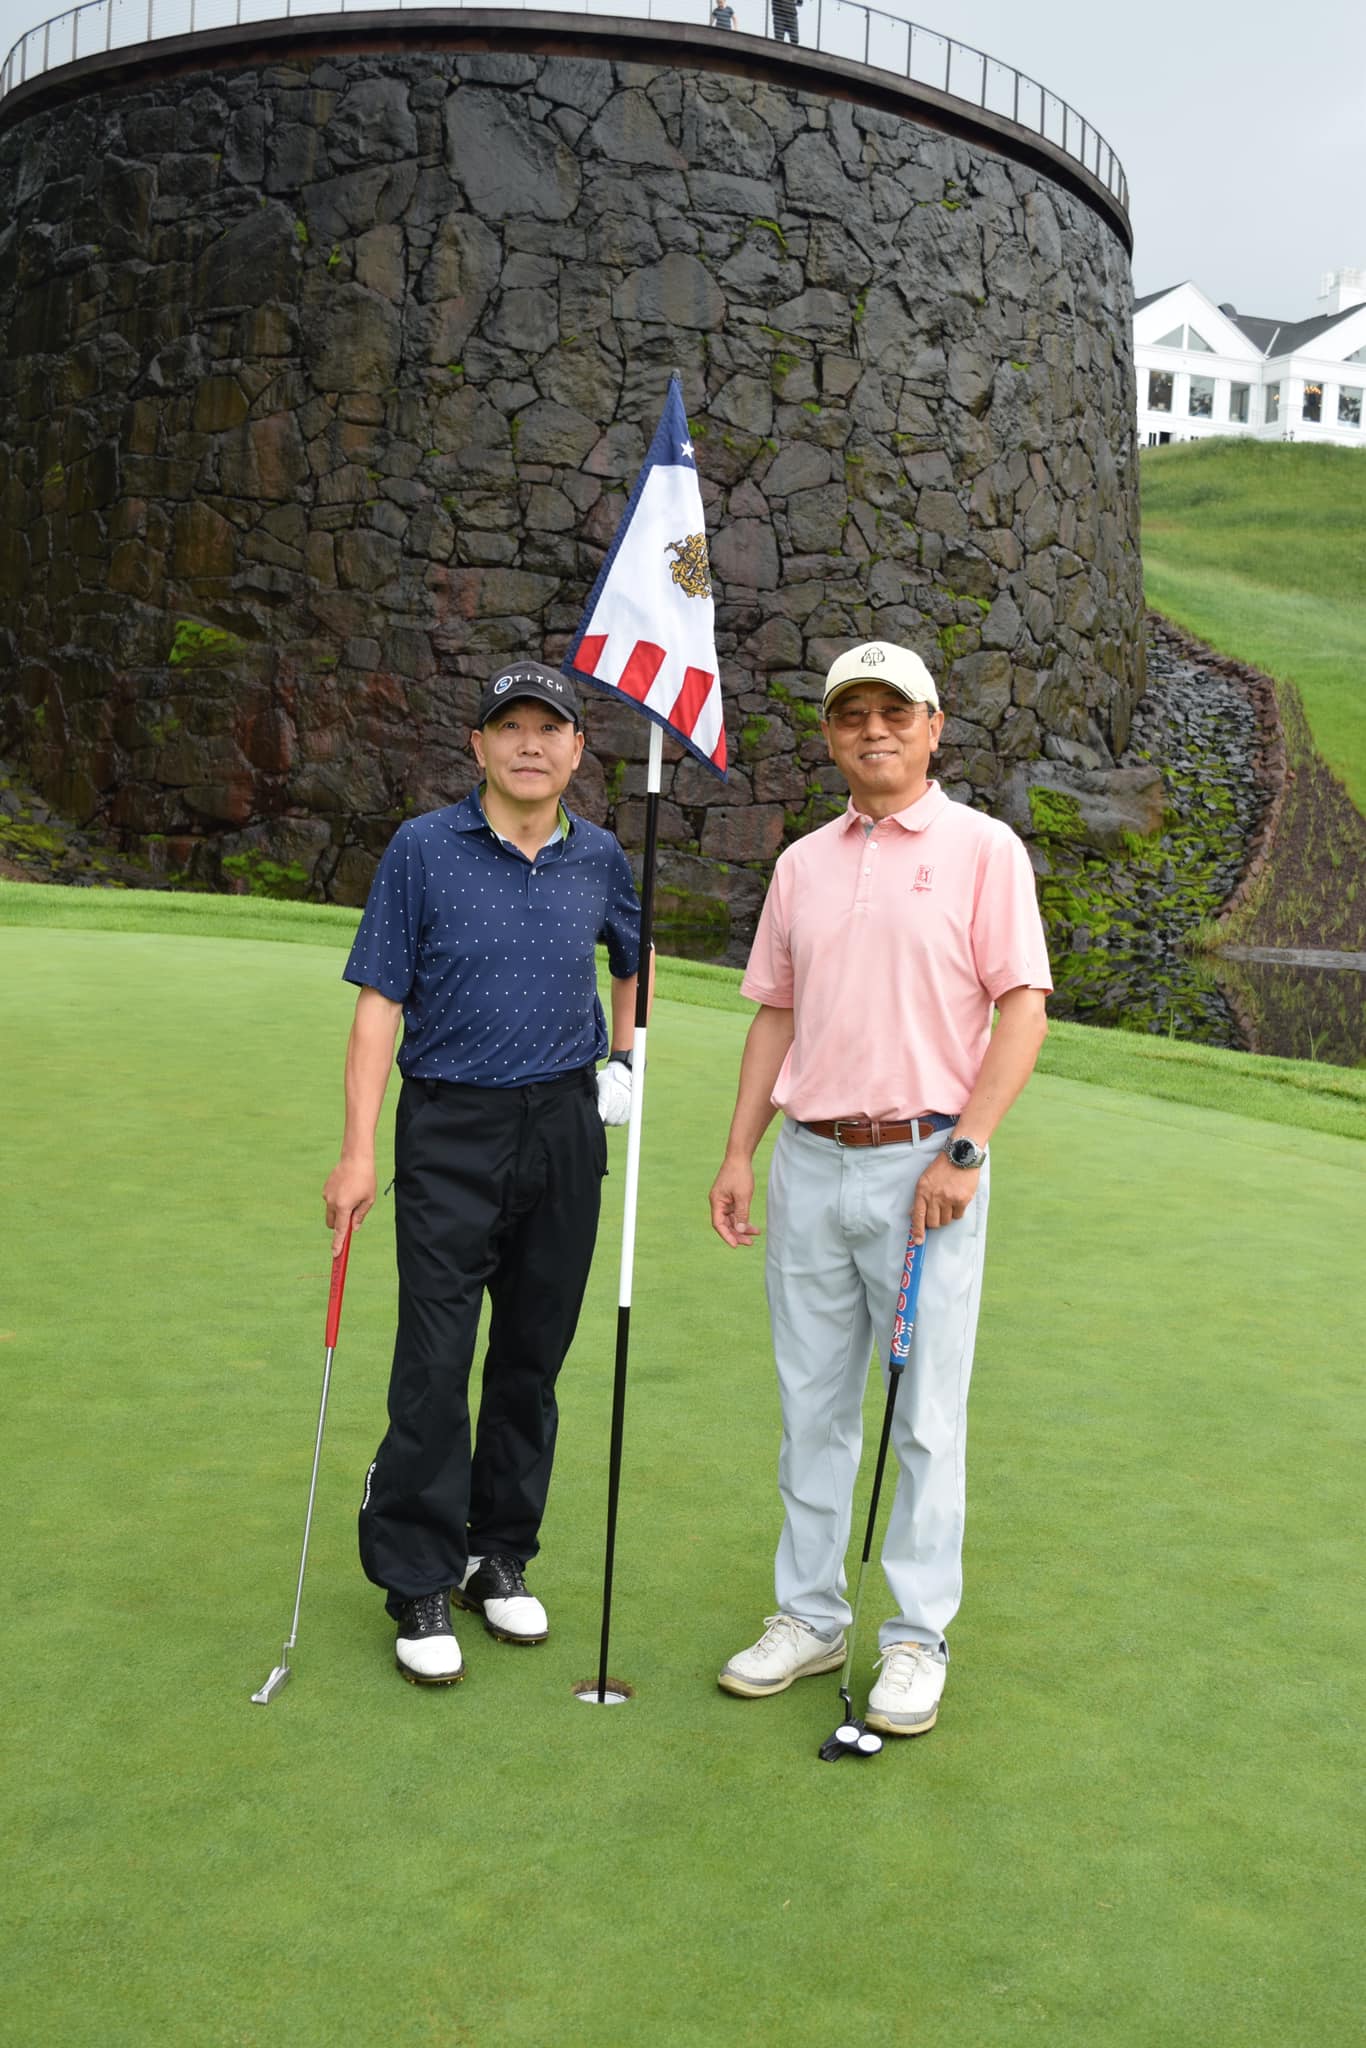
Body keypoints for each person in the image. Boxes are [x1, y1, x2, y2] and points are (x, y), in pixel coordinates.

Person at [708, 641, 1050, 1737]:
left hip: (924, 1169)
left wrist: (966, 1149)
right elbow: (774, 1011)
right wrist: (737, 1150)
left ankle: (914, 1635)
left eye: (892, 712)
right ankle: (809, 1617)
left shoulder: (982, 849)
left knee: (921, 1419)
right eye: (850, 713)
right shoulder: (803, 862)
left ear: (932, 725)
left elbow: (1022, 1008)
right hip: (809, 1161)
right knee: (809, 1408)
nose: (873, 730)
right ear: (829, 736)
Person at [323, 660, 644, 1687]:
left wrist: (625, 1054)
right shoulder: (424, 849)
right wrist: (358, 1145)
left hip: (563, 1125)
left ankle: (495, 1552)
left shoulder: (600, 855)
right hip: (450, 1124)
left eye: (548, 728)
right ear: (477, 746)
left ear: (577, 750)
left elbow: (632, 955)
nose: (529, 744)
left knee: (531, 1353)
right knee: (434, 1354)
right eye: (508, 727)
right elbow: (379, 999)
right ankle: (415, 1570)